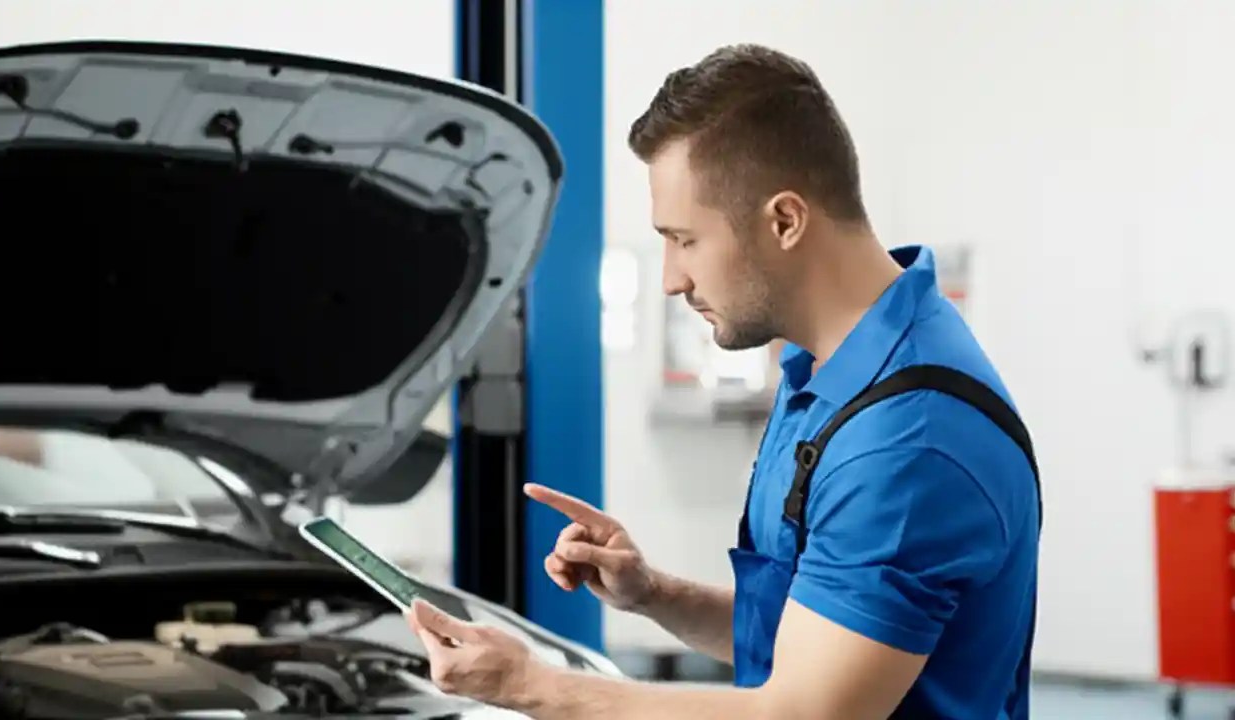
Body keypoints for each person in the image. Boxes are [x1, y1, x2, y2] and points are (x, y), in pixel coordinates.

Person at [405, 43, 1042, 719]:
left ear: (785, 220)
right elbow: (811, 640)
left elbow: (801, 714)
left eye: (684, 239)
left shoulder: (908, 437)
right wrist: (653, 593)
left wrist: (529, 686)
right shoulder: (832, 376)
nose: (673, 278)